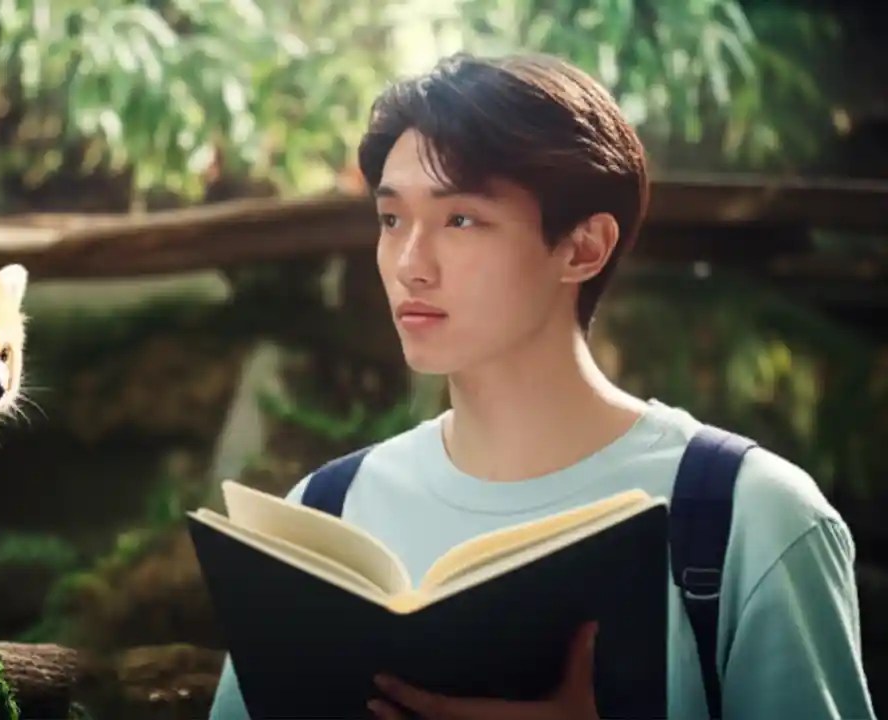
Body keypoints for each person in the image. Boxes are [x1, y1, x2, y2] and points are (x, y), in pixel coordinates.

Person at [207, 52, 877, 720]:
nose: (410, 264)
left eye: (460, 219)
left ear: (584, 248)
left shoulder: (750, 520)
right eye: (391, 220)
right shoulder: (327, 514)